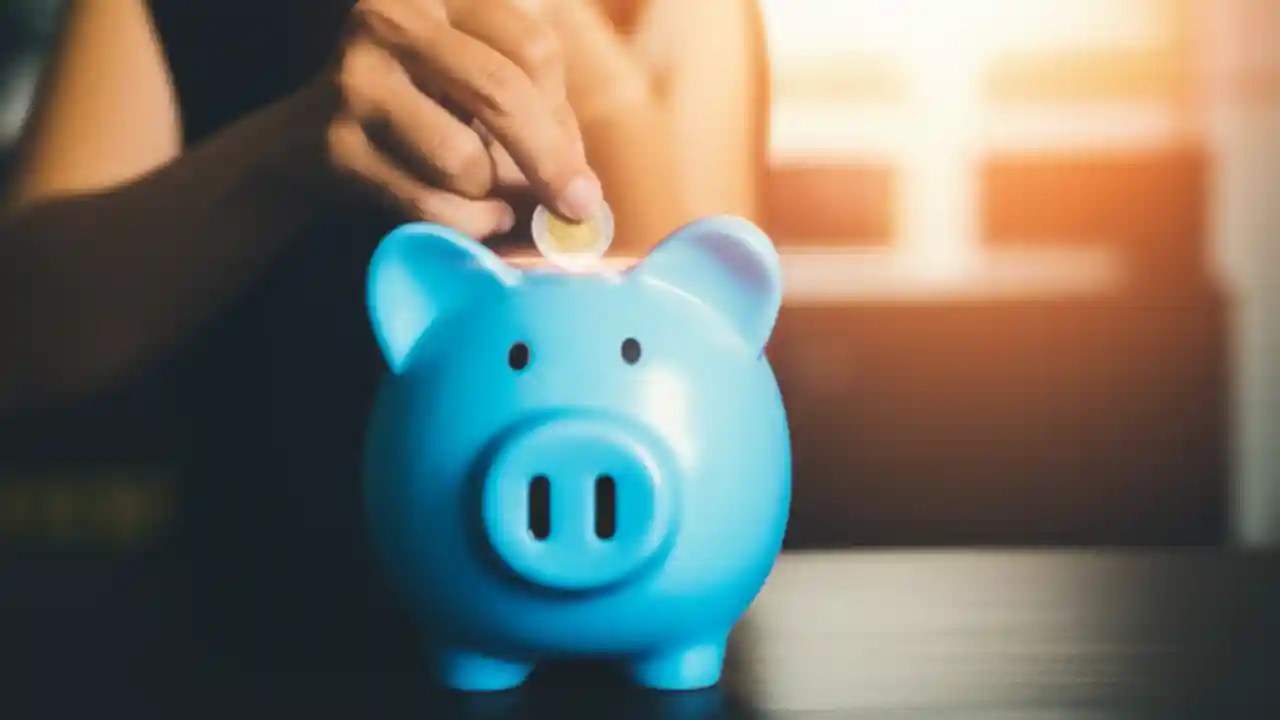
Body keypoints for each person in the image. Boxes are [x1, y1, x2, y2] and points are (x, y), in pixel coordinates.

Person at [0, 0, 767, 670]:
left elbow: (718, 375)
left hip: (623, 651)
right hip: (258, 636)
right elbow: (25, 338)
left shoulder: (687, 12)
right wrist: (281, 156)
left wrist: (606, 95)